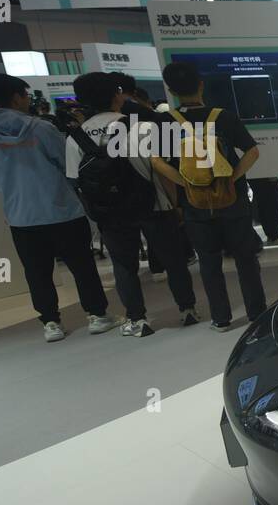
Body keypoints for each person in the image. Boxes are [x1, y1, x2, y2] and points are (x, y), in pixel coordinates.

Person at [0, 74, 117, 341]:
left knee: (37, 272)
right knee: (82, 266)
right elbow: (68, 164)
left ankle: (50, 322)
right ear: (16, 97)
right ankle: (96, 315)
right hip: (62, 210)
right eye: (25, 96)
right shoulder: (41, 128)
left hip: (20, 215)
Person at [66, 72, 199, 337]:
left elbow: (75, 181)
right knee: (173, 260)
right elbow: (167, 170)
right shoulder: (145, 127)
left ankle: (137, 319)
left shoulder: (75, 138)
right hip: (154, 204)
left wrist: (96, 213)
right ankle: (187, 310)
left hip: (110, 212)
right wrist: (176, 204)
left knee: (124, 265)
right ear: (118, 95)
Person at [160, 61, 267, 332]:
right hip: (233, 200)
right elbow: (252, 152)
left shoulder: (167, 121)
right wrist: (231, 178)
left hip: (196, 205)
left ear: (171, 90)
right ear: (201, 85)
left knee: (209, 261)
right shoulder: (224, 117)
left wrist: (187, 184)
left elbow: (157, 162)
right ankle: (257, 313)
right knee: (245, 258)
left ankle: (221, 318)